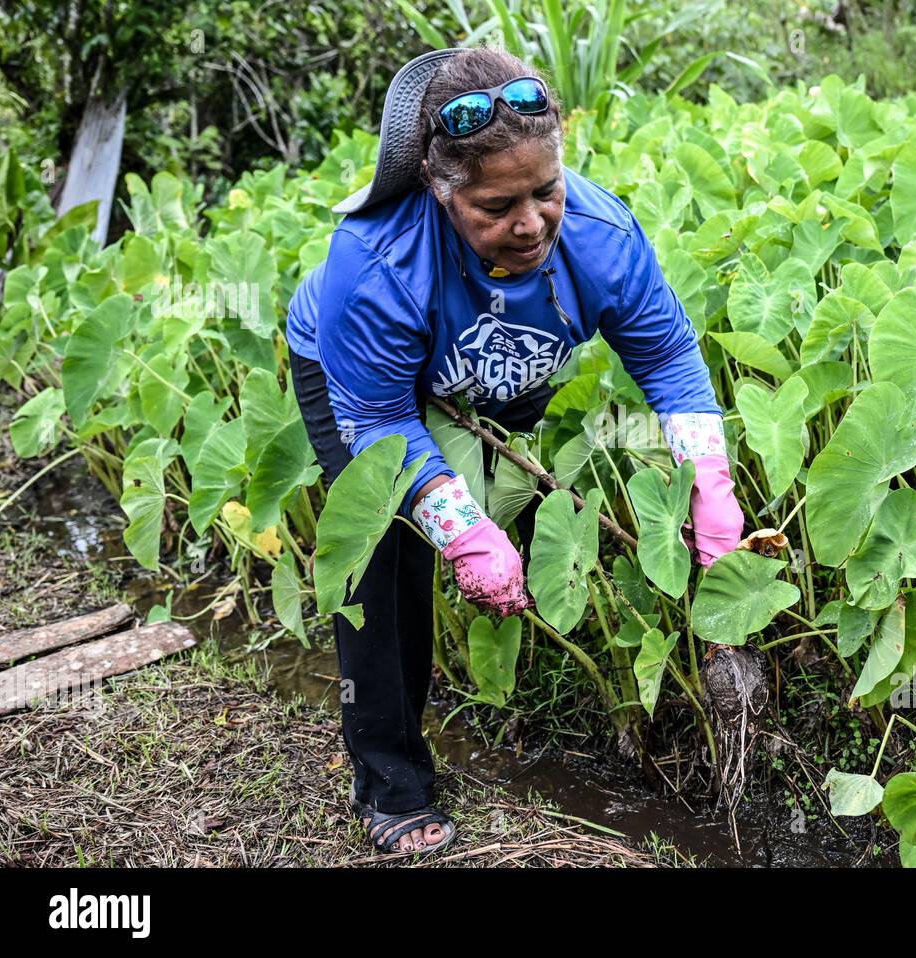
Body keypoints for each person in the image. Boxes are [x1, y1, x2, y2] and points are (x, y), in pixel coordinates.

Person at [285, 46, 744, 856]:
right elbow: (382, 420)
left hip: (490, 365)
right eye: (497, 205)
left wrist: (707, 471)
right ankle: (391, 782)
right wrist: (461, 531)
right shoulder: (376, 263)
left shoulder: (601, 234)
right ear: (441, 186)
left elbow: (667, 357)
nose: (529, 222)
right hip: (360, 381)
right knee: (386, 556)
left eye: (546, 191)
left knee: (531, 501)